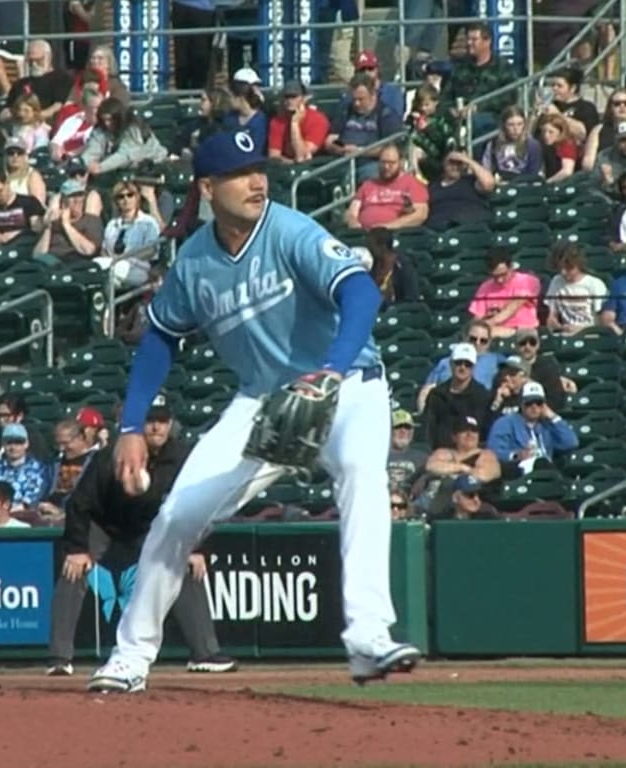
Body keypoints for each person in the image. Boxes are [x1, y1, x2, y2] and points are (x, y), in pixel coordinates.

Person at [86, 130, 418, 694]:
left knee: (363, 477)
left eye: (260, 168)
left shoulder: (288, 230)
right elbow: (159, 338)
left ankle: (369, 638)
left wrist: (331, 369)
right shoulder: (193, 263)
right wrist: (130, 426)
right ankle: (129, 657)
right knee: (177, 519)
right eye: (241, 173)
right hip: (263, 401)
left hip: (347, 385)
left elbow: (360, 291)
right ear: (208, 187)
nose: (257, 180)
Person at [46, 398, 234, 677]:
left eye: (161, 420)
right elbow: (79, 504)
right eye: (149, 420)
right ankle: (59, 657)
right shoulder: (111, 455)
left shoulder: (184, 457)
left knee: (184, 565)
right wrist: (77, 547)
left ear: (170, 423)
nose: (156, 426)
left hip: (151, 526)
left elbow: (201, 507)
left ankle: (204, 653)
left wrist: (195, 547)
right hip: (105, 521)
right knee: (72, 569)